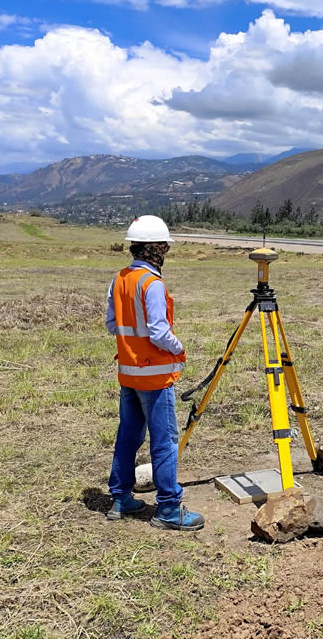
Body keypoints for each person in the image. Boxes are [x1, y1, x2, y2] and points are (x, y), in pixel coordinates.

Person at [104, 215, 204, 531]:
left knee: (129, 436)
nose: (166, 251)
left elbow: (111, 325)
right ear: (153, 249)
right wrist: (179, 348)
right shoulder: (153, 284)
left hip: (128, 374)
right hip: (155, 377)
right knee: (164, 442)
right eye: (164, 246)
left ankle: (120, 499)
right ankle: (170, 509)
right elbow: (159, 332)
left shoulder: (119, 279)